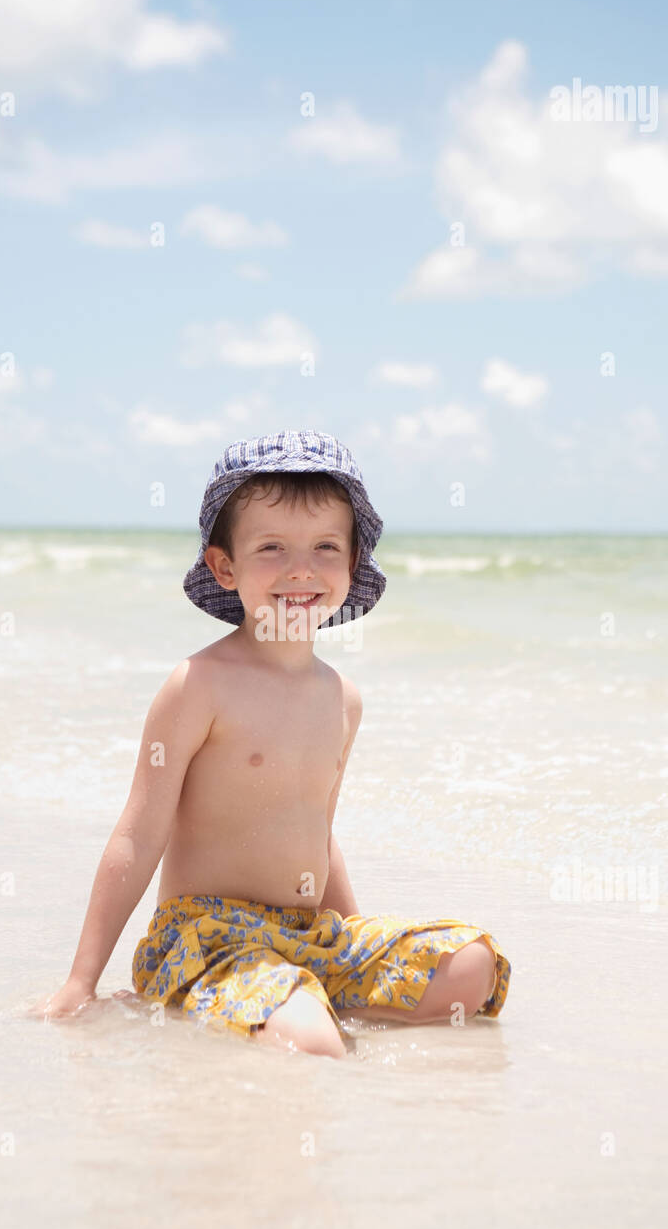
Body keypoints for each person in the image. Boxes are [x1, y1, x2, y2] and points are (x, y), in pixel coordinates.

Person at [37, 430, 511, 1058]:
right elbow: (138, 832)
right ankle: (268, 1006)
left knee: (471, 965)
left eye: (324, 547)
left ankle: (310, 996)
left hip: (308, 935)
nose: (300, 569)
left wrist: (352, 941)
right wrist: (81, 981)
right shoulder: (198, 685)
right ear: (224, 566)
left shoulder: (343, 698)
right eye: (271, 548)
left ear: (351, 563)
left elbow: (319, 831)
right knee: (316, 1046)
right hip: (210, 937)